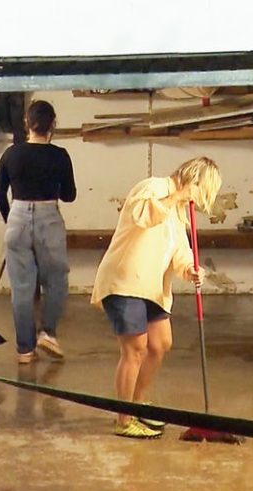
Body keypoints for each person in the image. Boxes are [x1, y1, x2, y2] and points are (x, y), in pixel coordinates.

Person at [90, 156, 222, 439]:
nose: (199, 201)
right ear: (193, 180)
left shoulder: (178, 212)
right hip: (125, 280)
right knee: (135, 349)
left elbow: (180, 252)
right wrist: (176, 195)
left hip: (151, 288)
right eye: (202, 191)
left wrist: (191, 269)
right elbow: (143, 215)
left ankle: (135, 402)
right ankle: (124, 419)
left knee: (161, 343)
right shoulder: (152, 188)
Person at [0, 100, 76, 364]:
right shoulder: (60, 155)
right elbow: (70, 195)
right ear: (53, 125)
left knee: (21, 288)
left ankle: (25, 350)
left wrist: (11, 220)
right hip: (48, 217)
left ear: (26, 124)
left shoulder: (11, 154)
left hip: (16, 217)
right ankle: (48, 334)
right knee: (56, 281)